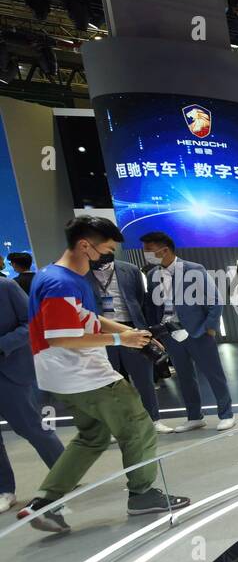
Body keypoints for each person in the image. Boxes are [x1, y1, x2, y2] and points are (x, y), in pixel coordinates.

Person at [15, 216, 189, 533]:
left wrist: (127, 331)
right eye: (105, 249)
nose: (107, 256)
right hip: (83, 374)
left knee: (91, 437)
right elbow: (61, 335)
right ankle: (143, 495)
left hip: (63, 376)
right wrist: (121, 340)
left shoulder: (59, 276)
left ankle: (44, 503)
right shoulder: (61, 283)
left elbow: (85, 317)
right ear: (85, 245)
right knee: (139, 428)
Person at [140, 231, 234, 432]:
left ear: (164, 250)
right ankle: (194, 416)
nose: (145, 253)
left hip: (197, 332)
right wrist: (157, 331)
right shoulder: (152, 274)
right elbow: (153, 305)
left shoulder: (194, 269)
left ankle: (226, 414)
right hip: (170, 334)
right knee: (184, 377)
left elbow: (215, 300)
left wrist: (208, 328)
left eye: (148, 249)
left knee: (214, 374)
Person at [88, 245, 170, 433]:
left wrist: (146, 330)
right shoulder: (83, 274)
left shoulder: (129, 269)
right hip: (101, 333)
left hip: (132, 328)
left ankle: (154, 419)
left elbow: (140, 300)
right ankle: (112, 427)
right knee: (105, 382)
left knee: (144, 379)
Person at [0, 274, 64, 513]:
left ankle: (64, 475)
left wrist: (2, 345)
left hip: (10, 371)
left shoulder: (5, 287)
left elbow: (32, 322)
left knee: (32, 427)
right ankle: (4, 490)